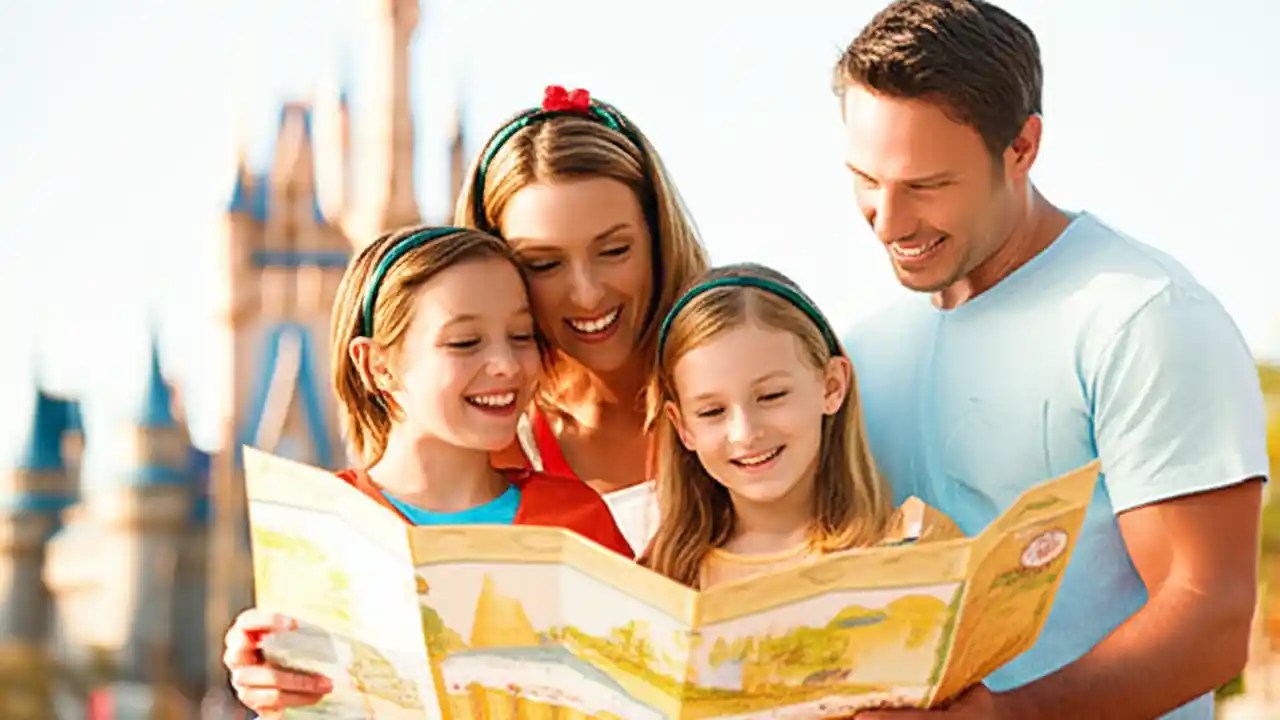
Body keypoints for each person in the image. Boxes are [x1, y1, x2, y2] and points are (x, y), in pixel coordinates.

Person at [834, 2, 1267, 718]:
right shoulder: (860, 352)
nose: (888, 219)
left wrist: (1013, 717)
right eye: (865, 179)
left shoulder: (1141, 318)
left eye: (927, 185)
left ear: (1022, 147)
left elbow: (1210, 617)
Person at [222, 225, 632, 718]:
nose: (505, 363)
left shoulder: (578, 522)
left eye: (522, 336)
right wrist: (265, 667)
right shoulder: (324, 527)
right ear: (378, 367)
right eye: (464, 342)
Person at [456, 84, 710, 553]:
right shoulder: (489, 446)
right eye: (544, 264)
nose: (588, 293)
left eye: (615, 251)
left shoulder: (743, 399)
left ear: (658, 237)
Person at [640, 263, 895, 589]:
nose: (745, 433)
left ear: (831, 387)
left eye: (771, 396)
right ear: (682, 427)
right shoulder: (661, 583)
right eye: (712, 411)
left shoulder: (919, 547)